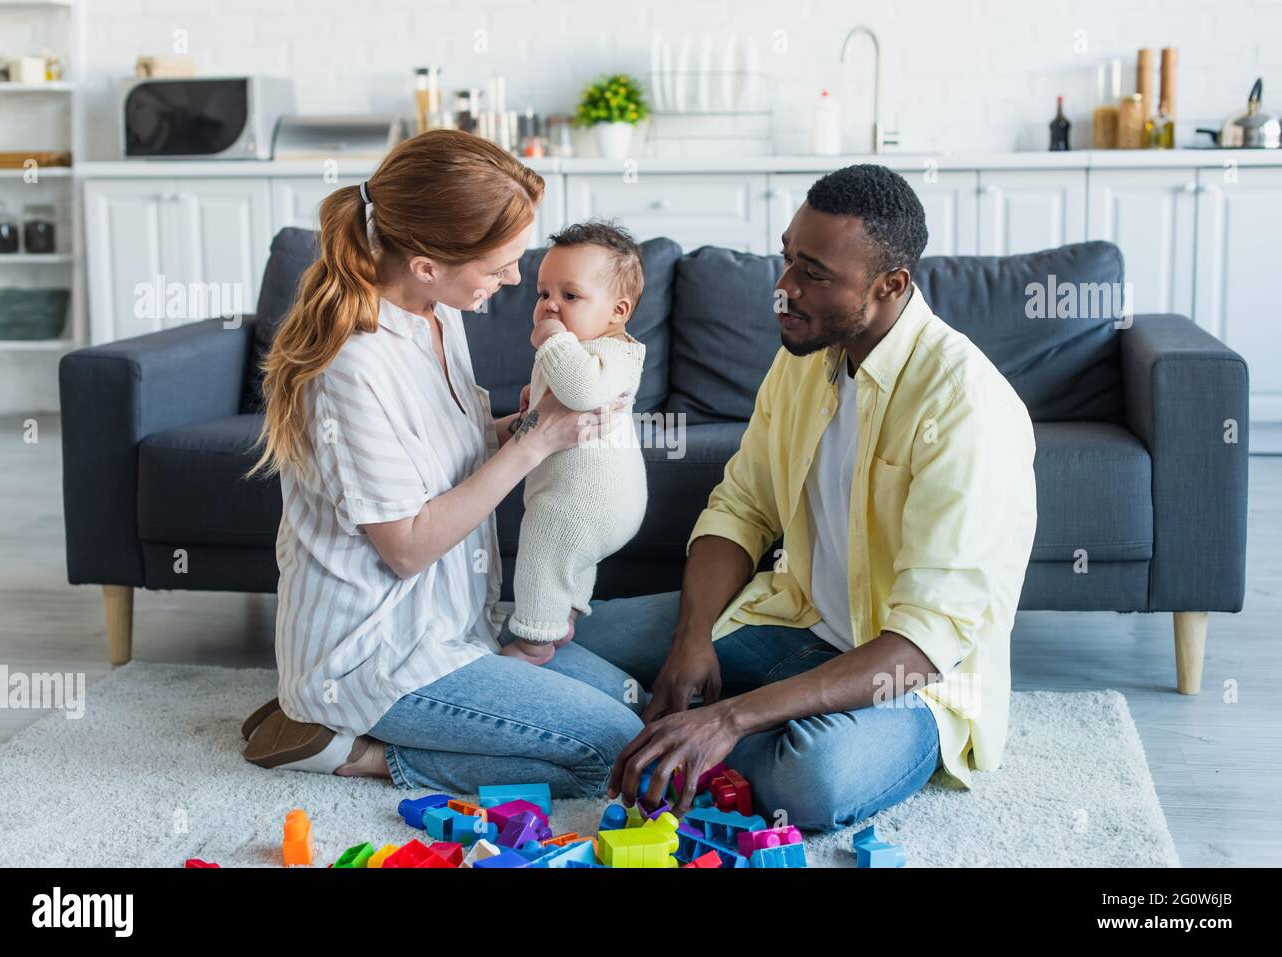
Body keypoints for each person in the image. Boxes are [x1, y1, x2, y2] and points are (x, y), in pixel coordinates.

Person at [574, 164, 1039, 831]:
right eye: (787, 256)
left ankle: (700, 726)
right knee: (560, 642)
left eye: (814, 273)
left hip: (908, 684)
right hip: (791, 619)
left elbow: (921, 644)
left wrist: (730, 715)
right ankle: (705, 723)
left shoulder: (966, 406)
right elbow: (743, 506)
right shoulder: (804, 355)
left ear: (890, 286)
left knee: (813, 779)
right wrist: (692, 635)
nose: (784, 290)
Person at [239, 129, 643, 796]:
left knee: (635, 707)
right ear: (426, 263)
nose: (516, 280)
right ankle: (353, 747)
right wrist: (533, 443)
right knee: (610, 752)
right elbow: (406, 545)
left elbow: (440, 449)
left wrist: (539, 426)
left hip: (454, 628)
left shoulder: (435, 309)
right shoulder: (352, 364)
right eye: (498, 266)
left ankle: (345, 725)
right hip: (374, 654)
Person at [503, 221, 649, 664]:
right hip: (588, 499)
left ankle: (533, 641)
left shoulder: (618, 353)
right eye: (543, 294)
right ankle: (563, 617)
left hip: (590, 501)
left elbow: (582, 390)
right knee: (566, 560)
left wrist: (550, 340)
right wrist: (535, 398)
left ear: (617, 311)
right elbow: (562, 390)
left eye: (570, 296)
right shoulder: (580, 347)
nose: (550, 307)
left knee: (545, 546)